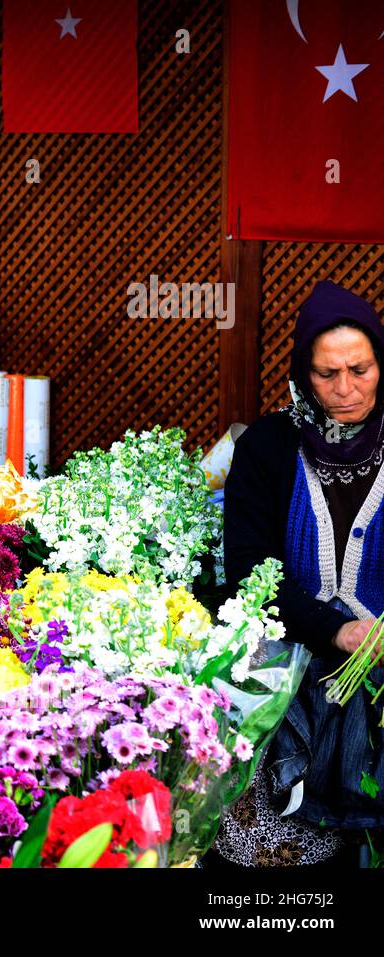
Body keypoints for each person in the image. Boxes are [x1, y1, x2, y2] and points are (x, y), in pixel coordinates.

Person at [217, 280, 384, 869]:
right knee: (268, 849)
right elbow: (245, 568)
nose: (345, 390)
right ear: (301, 373)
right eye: (325, 373)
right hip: (282, 665)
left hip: (379, 673)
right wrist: (334, 631)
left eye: (360, 370)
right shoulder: (269, 446)